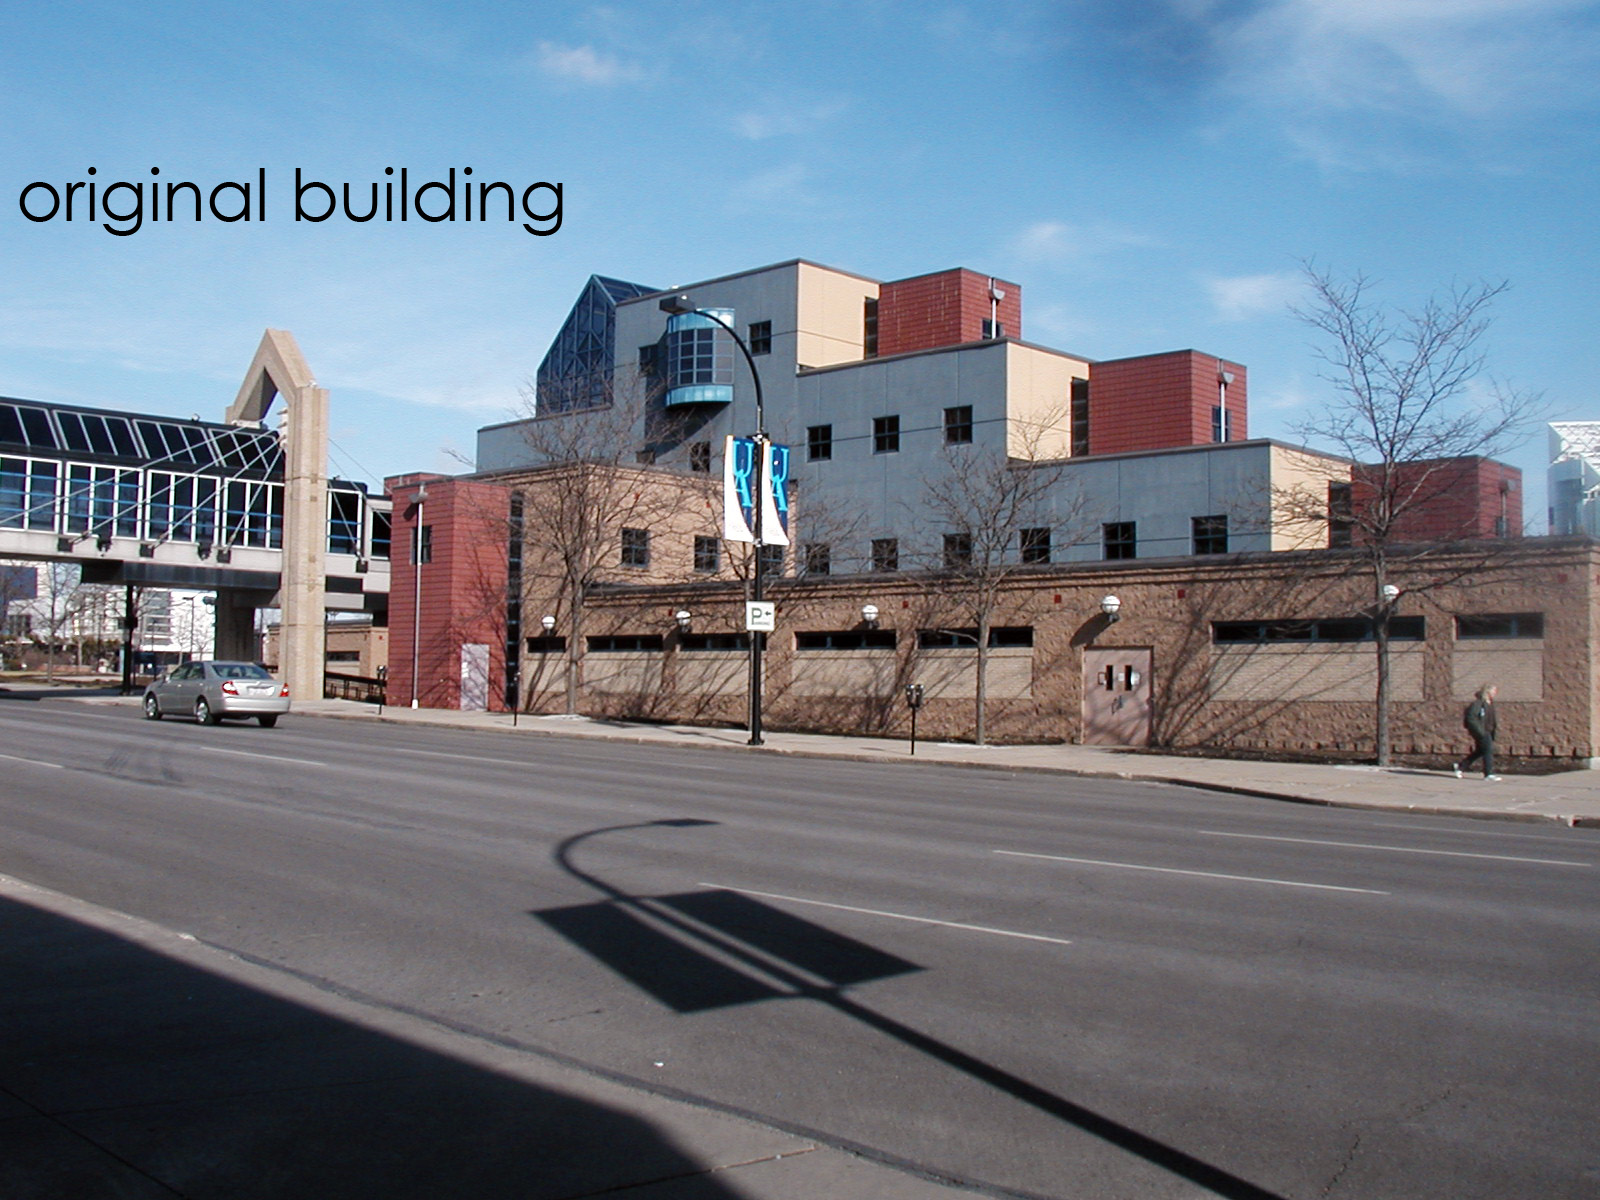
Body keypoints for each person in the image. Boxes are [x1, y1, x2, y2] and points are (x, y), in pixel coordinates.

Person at [1455, 684, 1501, 780]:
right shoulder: (1478, 703)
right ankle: (1488, 774)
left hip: (1489, 731)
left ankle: (1460, 766)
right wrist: (1480, 731)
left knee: (1480, 751)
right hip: (1482, 732)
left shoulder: (1490, 703)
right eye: (1493, 691)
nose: (1495, 693)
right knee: (1488, 750)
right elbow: (1471, 717)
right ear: (1487, 692)